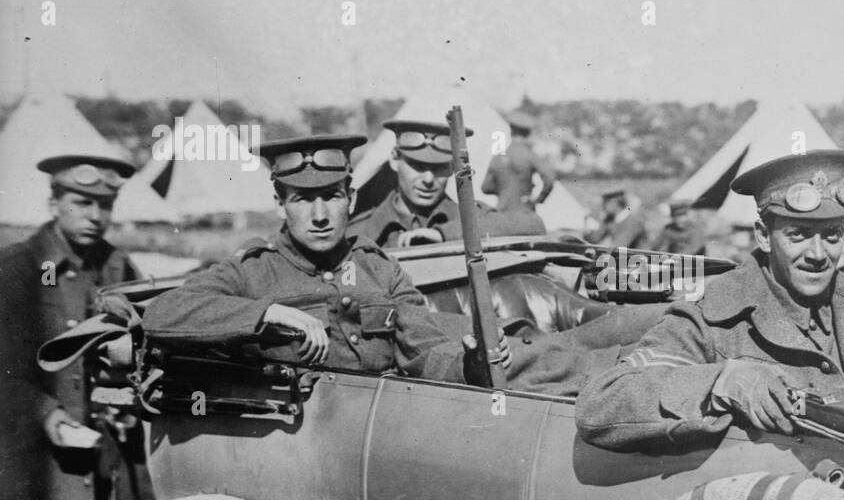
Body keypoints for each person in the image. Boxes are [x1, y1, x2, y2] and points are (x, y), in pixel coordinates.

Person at [576, 150, 844, 453]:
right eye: (798, 235)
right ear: (763, 235)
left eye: (831, 234)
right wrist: (720, 382)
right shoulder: (715, 314)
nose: (818, 254)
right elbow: (602, 403)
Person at [145, 135, 498, 382]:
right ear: (278, 203)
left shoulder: (379, 268)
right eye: (302, 199)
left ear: (352, 199)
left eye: (331, 196)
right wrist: (267, 313)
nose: (320, 215)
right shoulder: (253, 271)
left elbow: (423, 347)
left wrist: (469, 364)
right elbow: (162, 314)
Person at [0, 146, 141, 500]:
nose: (95, 215)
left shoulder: (122, 270)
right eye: (82, 202)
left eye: (105, 204)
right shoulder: (18, 267)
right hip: (32, 479)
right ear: (54, 201)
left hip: (106, 474)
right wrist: (50, 417)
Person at [346, 119, 545, 249]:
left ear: (452, 167)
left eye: (439, 168)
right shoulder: (359, 232)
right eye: (417, 166)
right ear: (395, 159)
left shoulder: (469, 217)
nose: (428, 180)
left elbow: (532, 224)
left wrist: (444, 234)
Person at [481, 109, 555, 218]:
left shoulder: (498, 157)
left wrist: (505, 190)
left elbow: (485, 188)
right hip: (525, 212)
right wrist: (538, 200)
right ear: (528, 133)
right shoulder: (531, 155)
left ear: (511, 131)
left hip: (502, 213)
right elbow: (549, 179)